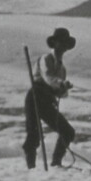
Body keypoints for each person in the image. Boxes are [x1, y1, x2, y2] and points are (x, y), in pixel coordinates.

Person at [23, 27, 78, 169]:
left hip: (47, 101)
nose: (63, 46)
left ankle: (56, 163)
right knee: (34, 135)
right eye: (61, 42)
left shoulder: (62, 69)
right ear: (54, 43)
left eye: (66, 43)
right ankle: (31, 168)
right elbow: (48, 77)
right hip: (35, 97)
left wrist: (63, 89)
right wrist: (61, 84)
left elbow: (61, 93)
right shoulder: (45, 59)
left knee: (67, 131)